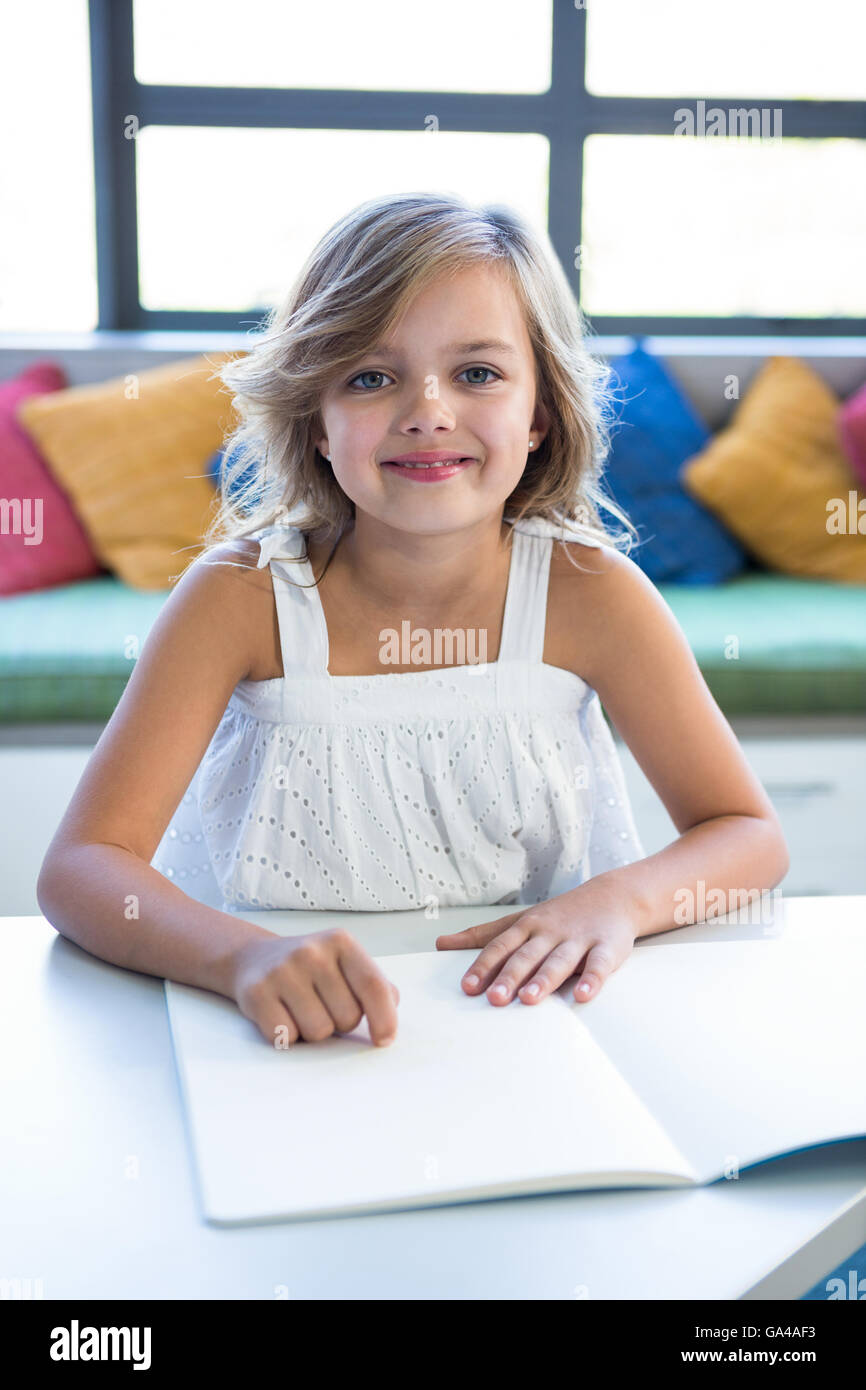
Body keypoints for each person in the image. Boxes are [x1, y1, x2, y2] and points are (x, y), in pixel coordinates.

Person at [37, 192, 789, 1049]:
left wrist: (620, 900)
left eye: (477, 373)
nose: (427, 411)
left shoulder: (593, 593)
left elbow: (749, 835)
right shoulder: (238, 597)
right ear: (315, 421)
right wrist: (242, 959)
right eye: (369, 376)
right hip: (270, 1033)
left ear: (538, 414)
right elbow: (82, 869)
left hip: (516, 1023)